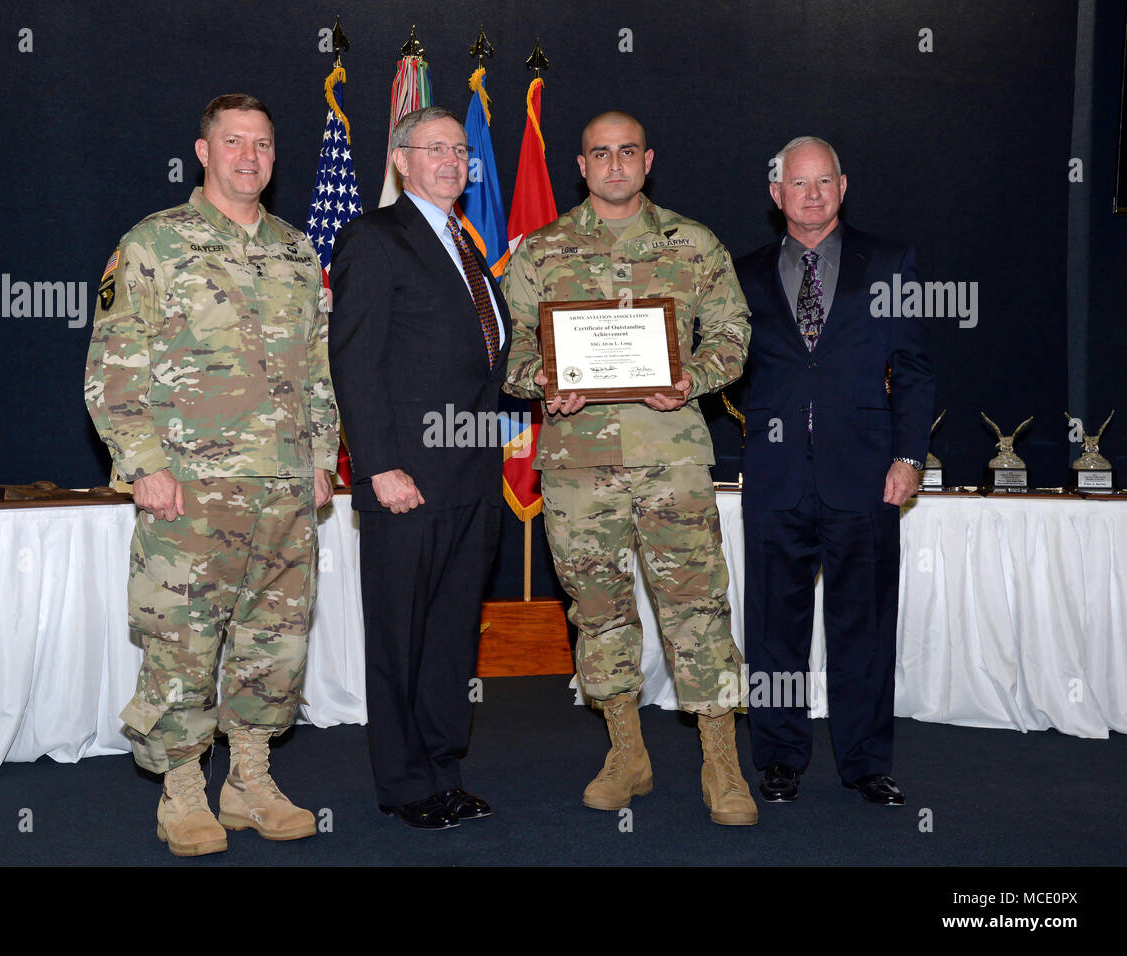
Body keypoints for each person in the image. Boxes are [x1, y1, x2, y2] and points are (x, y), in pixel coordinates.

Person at [85, 93, 339, 856]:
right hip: (190, 491)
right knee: (182, 645)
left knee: (276, 644)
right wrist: (145, 465)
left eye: (262, 143)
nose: (250, 156)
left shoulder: (299, 251)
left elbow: (317, 367)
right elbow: (111, 369)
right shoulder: (154, 244)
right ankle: (184, 789)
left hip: (285, 488)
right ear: (203, 152)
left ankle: (250, 781)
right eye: (234, 142)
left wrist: (323, 457)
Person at [503, 111, 757, 826]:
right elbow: (509, 348)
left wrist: (695, 378)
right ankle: (627, 754)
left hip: (670, 456)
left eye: (626, 153)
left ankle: (722, 765)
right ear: (580, 167)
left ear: (648, 160)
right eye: (598, 155)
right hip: (578, 466)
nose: (614, 165)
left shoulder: (694, 242)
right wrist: (545, 380)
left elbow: (735, 334)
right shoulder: (542, 250)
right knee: (598, 614)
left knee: (697, 611)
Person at [734, 136, 934, 806]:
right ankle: (780, 757)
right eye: (798, 183)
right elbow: (725, 368)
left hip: (866, 478)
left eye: (823, 182)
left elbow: (912, 369)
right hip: (776, 479)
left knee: (866, 627)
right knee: (772, 629)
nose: (811, 194)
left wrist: (908, 457)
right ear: (776, 194)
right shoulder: (745, 273)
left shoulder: (890, 261)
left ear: (842, 187)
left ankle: (865, 762)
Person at [328, 107, 509, 831]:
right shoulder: (374, 239)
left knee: (449, 638)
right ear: (401, 160)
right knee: (401, 638)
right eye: (435, 149)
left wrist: (554, 384)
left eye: (460, 150)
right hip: (406, 480)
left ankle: (443, 768)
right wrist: (379, 466)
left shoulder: (467, 243)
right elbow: (355, 359)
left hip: (472, 479)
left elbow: (484, 363)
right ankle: (405, 786)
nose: (452, 161)